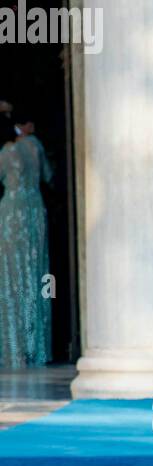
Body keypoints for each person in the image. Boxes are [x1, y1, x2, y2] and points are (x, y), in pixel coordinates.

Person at [0, 112, 55, 368]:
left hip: (12, 212)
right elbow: (48, 175)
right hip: (35, 209)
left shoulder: (8, 151)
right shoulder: (37, 147)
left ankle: (15, 347)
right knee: (35, 273)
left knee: (12, 275)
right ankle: (35, 348)